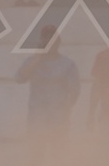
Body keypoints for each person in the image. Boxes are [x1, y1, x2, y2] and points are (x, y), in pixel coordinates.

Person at [14, 25, 81, 156]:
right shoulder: (32, 61)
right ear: (41, 41)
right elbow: (19, 78)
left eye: (53, 39)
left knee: (59, 154)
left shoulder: (67, 64)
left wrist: (67, 108)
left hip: (59, 116)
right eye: (46, 39)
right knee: (36, 154)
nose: (50, 43)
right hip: (37, 117)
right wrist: (37, 58)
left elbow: (75, 90)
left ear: (59, 42)